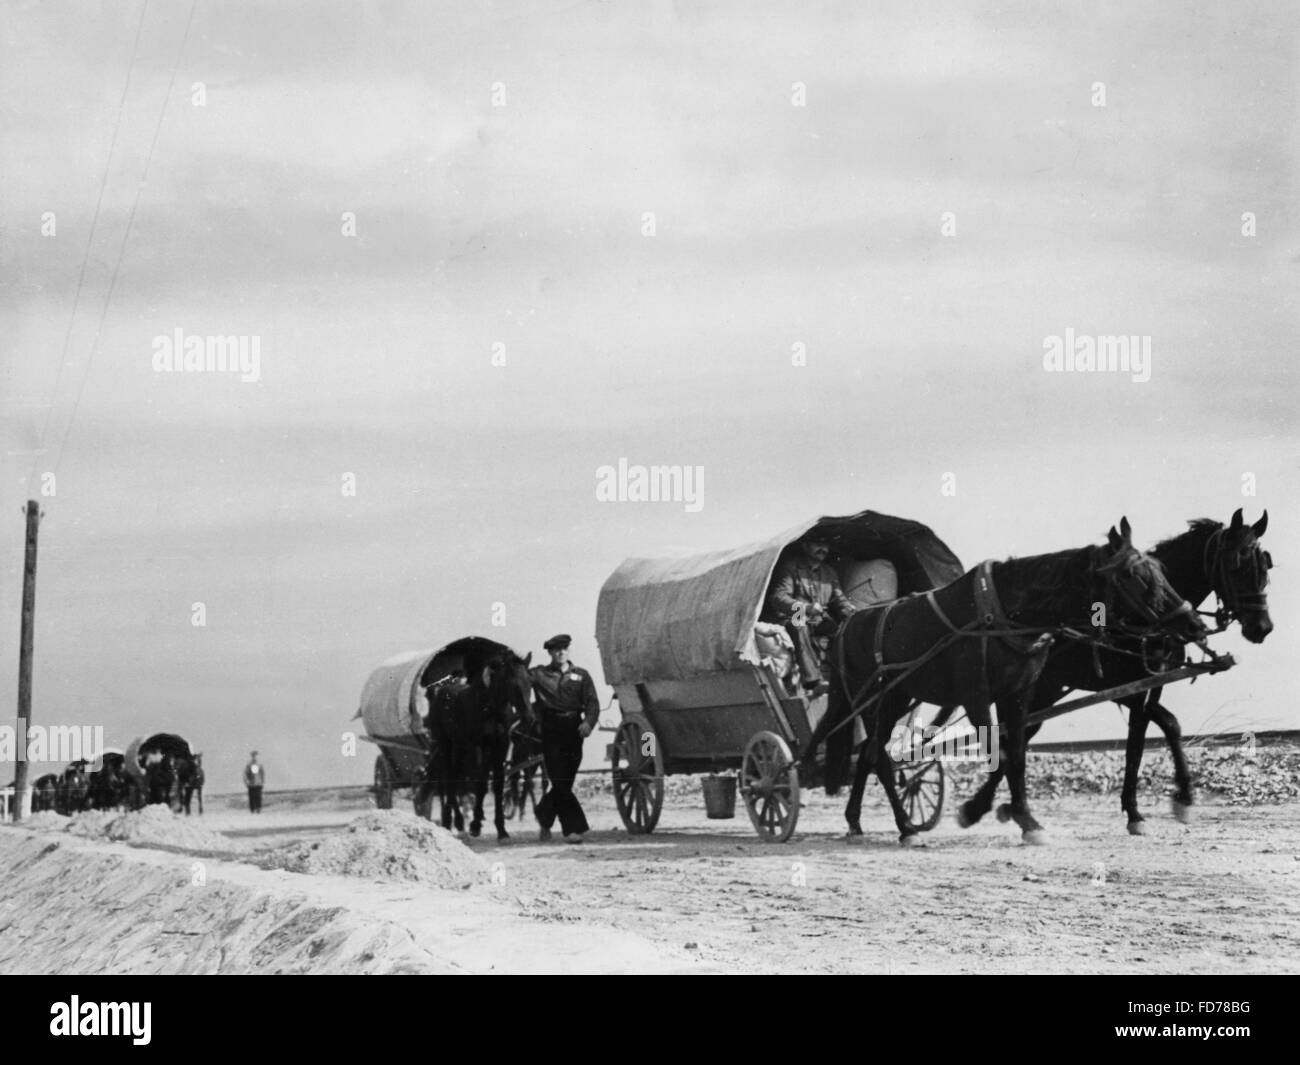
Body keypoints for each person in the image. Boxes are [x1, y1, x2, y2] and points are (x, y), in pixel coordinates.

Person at [529, 634, 600, 843]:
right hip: (550, 730)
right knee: (559, 780)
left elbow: (592, 702)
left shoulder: (581, 675)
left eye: (564, 649)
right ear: (550, 653)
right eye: (556, 650)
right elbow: (519, 677)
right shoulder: (539, 674)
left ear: (568, 651)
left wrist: (588, 722)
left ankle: (544, 814)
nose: (560, 653)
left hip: (574, 730)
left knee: (565, 781)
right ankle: (572, 830)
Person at [766, 536, 857, 692]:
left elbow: (839, 599)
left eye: (825, 544)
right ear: (805, 546)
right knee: (799, 625)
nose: (823, 549)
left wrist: (850, 611)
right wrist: (807, 608)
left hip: (816, 619)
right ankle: (812, 680)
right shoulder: (790, 567)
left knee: (842, 630)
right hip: (795, 614)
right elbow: (779, 597)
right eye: (817, 544)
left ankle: (848, 677)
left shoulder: (829, 572)